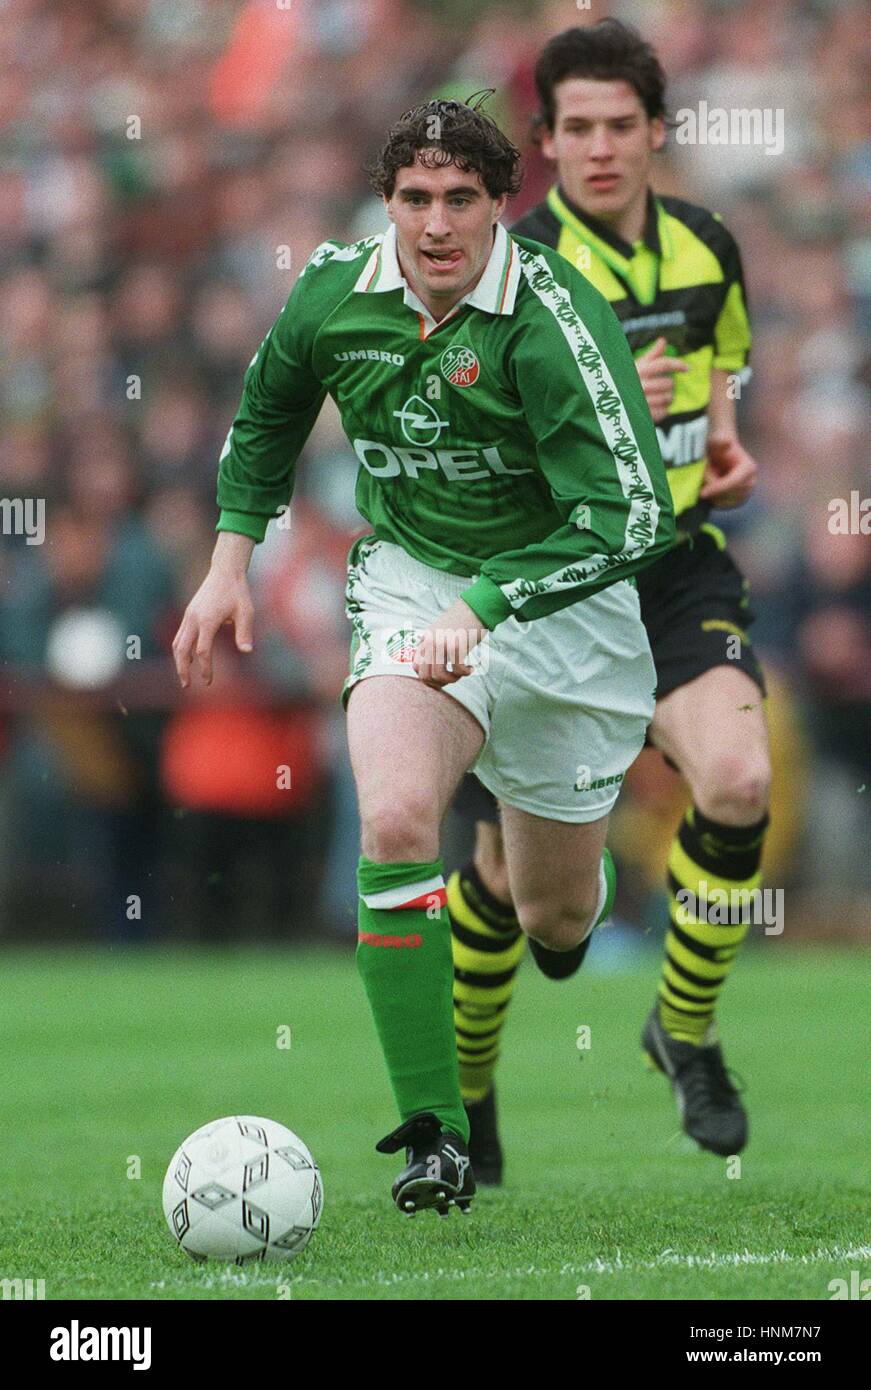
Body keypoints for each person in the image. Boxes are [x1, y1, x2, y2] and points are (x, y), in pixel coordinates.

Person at [172, 97, 675, 1216]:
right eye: (414, 198)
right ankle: (434, 1134)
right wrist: (227, 563)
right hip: (412, 581)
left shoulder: (552, 321)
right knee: (396, 818)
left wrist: (494, 602)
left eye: (460, 200)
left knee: (554, 922)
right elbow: (265, 415)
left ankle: (524, 869)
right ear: (387, 200)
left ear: (502, 206)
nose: (435, 224)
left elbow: (634, 518)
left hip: (564, 608)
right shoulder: (334, 294)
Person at [448, 21, 771, 1184]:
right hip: (558, 580)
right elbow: (481, 452)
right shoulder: (511, 269)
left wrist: (722, 446)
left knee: (737, 781)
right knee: (541, 911)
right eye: (574, 127)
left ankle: (682, 1031)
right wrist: (602, 410)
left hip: (677, 564)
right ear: (544, 139)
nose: (597, 146)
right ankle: (467, 1092)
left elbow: (717, 379)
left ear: (654, 133)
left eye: (618, 125)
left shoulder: (709, 246)